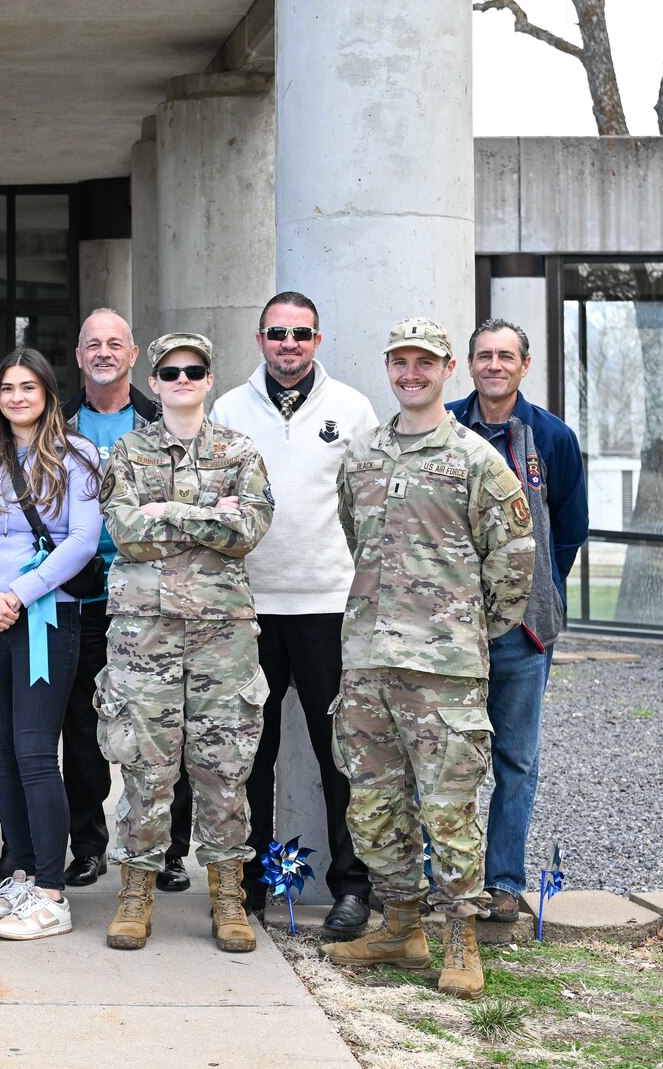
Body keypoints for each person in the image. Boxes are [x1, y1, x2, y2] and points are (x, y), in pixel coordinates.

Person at [322, 319, 534, 999]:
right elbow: (357, 539)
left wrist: (465, 631)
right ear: (389, 366)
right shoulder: (361, 455)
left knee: (449, 810)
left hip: (443, 671)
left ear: (448, 368)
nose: (411, 373)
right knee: (374, 805)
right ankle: (401, 927)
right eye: (400, 361)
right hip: (367, 661)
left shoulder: (477, 459)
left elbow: (512, 564)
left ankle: (461, 938)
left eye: (425, 362)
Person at [97, 332, 273, 954]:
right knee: (146, 769)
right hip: (145, 637)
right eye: (169, 371)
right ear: (157, 377)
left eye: (193, 370)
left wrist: (164, 511)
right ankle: (136, 892)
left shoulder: (240, 450)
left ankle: (227, 895)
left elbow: (247, 528)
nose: (181, 379)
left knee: (224, 769)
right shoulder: (126, 451)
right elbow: (126, 534)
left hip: (222, 637)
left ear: (208, 377)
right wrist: (205, 513)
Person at [210, 293, 379, 938]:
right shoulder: (227, 408)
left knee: (341, 755)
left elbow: (368, 504)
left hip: (327, 607)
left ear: (318, 339)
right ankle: (243, 890)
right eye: (277, 333)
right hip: (247, 608)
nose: (289, 344)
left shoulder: (352, 408)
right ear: (259, 339)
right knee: (249, 754)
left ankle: (351, 888)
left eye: (300, 334)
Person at [0, 349, 102, 940]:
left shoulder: (78, 456)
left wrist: (19, 591)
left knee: (37, 751)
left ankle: (51, 892)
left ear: (47, 392)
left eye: (27, 386)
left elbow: (83, 541)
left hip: (46, 617)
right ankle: (19, 869)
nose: (16, 396)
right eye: (7, 388)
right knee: (3, 753)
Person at [448, 318, 586, 924]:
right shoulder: (445, 428)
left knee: (516, 760)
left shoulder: (552, 438)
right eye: (485, 355)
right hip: (450, 627)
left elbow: (569, 530)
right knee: (444, 757)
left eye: (506, 356)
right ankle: (446, 879)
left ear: (524, 366)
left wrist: (535, 596)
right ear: (469, 365)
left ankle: (504, 881)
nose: (495, 365)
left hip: (523, 632)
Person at [62, 308, 192, 896]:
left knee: (165, 726)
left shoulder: (163, 417)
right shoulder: (56, 424)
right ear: (79, 354)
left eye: (115, 344)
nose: (104, 353)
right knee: (83, 728)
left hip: (153, 597)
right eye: (94, 344)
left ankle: (167, 850)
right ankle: (87, 848)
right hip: (83, 595)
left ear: (133, 355)